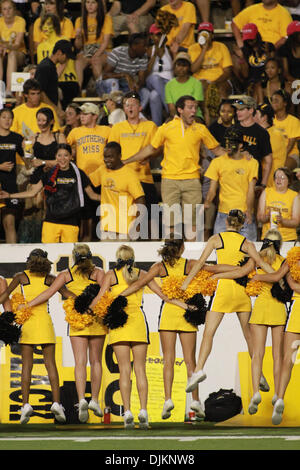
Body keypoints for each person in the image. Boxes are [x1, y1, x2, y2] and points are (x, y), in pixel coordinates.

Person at [89, 243, 193, 428]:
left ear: (118, 257)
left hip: (119, 325)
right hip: (137, 323)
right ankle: (143, 410)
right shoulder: (142, 273)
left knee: (124, 371)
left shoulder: (110, 275)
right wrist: (185, 305)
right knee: (140, 369)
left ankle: (128, 411)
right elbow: (164, 296)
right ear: (133, 257)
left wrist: (87, 310)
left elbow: (99, 298)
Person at [112, 237, 208, 421]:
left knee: (168, 360)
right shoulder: (191, 264)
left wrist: (118, 298)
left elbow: (141, 285)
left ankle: (167, 399)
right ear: (182, 248)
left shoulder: (159, 267)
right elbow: (212, 269)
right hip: (187, 313)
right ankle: (196, 401)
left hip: (168, 315)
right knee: (190, 360)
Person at [181, 209, 274, 393]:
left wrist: (186, 281)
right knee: (249, 336)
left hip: (222, 288)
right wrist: (279, 276)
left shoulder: (216, 239)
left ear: (226, 222)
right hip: (241, 291)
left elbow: (200, 263)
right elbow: (260, 264)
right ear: (241, 226)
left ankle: (199, 370)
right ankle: (260, 374)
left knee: (209, 333)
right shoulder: (247, 243)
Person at [23, 244, 107, 424]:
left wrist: (28, 305)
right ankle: (94, 400)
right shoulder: (98, 272)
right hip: (96, 319)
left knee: (80, 362)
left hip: (77, 321)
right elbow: (105, 291)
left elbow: (48, 293)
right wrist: (92, 307)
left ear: (74, 257)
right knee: (96, 361)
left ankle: (81, 399)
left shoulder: (65, 275)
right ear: (90, 257)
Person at [122, 95, 224, 241]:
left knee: (193, 224)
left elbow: (217, 150)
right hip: (170, 180)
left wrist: (238, 156)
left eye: (195, 107)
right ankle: (170, 258)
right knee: (170, 223)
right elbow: (151, 148)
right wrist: (127, 161)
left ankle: (191, 259)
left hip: (192, 180)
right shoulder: (166, 128)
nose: (194, 111)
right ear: (180, 110)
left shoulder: (201, 129)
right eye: (190, 107)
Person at [212, 229, 288, 414]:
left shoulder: (256, 260)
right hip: (278, 310)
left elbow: (239, 272)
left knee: (257, 354)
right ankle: (278, 395)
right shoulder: (284, 261)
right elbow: (285, 282)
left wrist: (216, 275)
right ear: (280, 244)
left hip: (260, 309)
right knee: (278, 355)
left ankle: (255, 392)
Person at [0, 248, 69, 424]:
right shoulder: (51, 279)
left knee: (26, 366)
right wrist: (89, 301)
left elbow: (4, 296)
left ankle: (25, 405)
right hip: (44, 323)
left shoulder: (21, 277)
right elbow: (69, 295)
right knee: (50, 364)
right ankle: (56, 403)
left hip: (28, 323)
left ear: (30, 260)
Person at [0, 144, 101, 243]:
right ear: (55, 157)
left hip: (71, 223)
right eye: (59, 155)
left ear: (71, 156)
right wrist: (9, 195)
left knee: (69, 256)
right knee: (48, 257)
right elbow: (32, 192)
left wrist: (110, 198)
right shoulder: (49, 174)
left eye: (66, 155)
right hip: (51, 222)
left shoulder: (79, 174)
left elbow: (92, 195)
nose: (62, 158)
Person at [251, 247, 300, 425]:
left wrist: (258, 277)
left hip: (297, 311)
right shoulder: (292, 259)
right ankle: (278, 398)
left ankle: (279, 397)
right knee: (286, 358)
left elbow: (281, 279)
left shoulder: (293, 259)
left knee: (288, 358)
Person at [108, 91, 160, 237]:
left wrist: (150, 156)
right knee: (128, 215)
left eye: (133, 104)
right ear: (124, 109)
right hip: (124, 178)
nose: (130, 108)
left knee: (150, 214)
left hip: (144, 177)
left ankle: (154, 244)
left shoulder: (150, 126)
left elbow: (158, 148)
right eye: (126, 105)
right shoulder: (118, 128)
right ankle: (131, 244)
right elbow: (111, 150)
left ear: (140, 107)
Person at [204, 126, 259, 241]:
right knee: (219, 250)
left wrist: (249, 211)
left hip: (244, 213)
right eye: (227, 142)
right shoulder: (217, 162)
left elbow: (251, 190)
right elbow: (212, 190)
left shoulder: (252, 163)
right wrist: (206, 203)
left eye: (232, 142)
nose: (228, 145)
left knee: (247, 252)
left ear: (240, 145)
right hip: (224, 213)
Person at [67, 102, 111, 241]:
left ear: (95, 116)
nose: (81, 117)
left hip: (102, 178)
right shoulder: (75, 132)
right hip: (83, 179)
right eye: (81, 114)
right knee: (85, 216)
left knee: (101, 213)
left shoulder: (106, 130)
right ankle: (85, 244)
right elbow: (64, 148)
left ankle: (100, 241)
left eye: (85, 114)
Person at [89, 141, 146, 239]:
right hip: (106, 227)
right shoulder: (102, 170)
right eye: (105, 157)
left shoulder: (129, 175)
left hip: (125, 229)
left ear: (120, 156)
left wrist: (137, 225)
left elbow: (140, 200)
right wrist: (93, 195)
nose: (107, 160)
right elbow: (87, 181)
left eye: (111, 157)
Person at [188, 22, 233, 122]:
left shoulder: (221, 47)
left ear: (212, 35)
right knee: (202, 87)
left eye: (207, 33)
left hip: (220, 80)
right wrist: (203, 49)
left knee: (219, 90)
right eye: (201, 33)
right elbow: (192, 70)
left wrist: (214, 82)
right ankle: (208, 123)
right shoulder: (193, 48)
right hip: (200, 82)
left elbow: (227, 72)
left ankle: (222, 123)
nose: (204, 35)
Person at [96, 33, 150, 113]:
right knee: (113, 82)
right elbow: (104, 75)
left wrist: (137, 85)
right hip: (106, 85)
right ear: (134, 46)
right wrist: (124, 75)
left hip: (125, 86)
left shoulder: (143, 57)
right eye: (144, 46)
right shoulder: (118, 52)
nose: (146, 48)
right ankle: (115, 112)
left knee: (146, 92)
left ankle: (135, 113)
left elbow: (141, 79)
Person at [233, 95, 273, 190]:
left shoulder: (262, 133)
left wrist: (263, 184)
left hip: (253, 180)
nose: (238, 112)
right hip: (233, 179)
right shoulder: (232, 130)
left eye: (241, 109)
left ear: (251, 110)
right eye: (237, 110)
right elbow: (225, 153)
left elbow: (268, 161)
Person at [74, 0, 114, 90]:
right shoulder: (79, 20)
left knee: (96, 61)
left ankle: (101, 92)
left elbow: (106, 42)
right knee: (78, 62)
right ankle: (77, 92)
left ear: (98, 4)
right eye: (87, 2)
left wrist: (96, 55)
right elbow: (78, 46)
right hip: (86, 51)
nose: (90, 5)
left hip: (103, 50)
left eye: (93, 2)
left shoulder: (106, 18)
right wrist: (78, 37)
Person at [35, 39, 76, 123]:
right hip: (44, 112)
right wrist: (56, 109)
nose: (67, 59)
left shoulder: (51, 66)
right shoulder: (46, 67)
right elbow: (40, 92)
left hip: (48, 110)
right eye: (66, 56)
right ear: (59, 52)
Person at [0, 107, 24, 243]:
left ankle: (12, 261)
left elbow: (28, 160)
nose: (7, 120)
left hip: (9, 185)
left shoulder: (17, 138)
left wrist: (30, 147)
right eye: (4, 117)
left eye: (10, 118)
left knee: (9, 224)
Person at [234, 23, 275, 102]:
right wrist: (242, 58)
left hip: (268, 78)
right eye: (247, 39)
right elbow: (245, 74)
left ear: (257, 35)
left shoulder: (268, 46)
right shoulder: (245, 50)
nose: (250, 41)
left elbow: (274, 66)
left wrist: (267, 54)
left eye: (252, 38)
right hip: (252, 82)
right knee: (255, 86)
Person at [257, 167, 300, 242]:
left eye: (282, 177)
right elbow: (259, 217)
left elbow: (296, 222)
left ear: (289, 181)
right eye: (276, 177)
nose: (278, 180)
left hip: (288, 238)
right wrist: (267, 216)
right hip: (269, 236)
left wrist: (282, 220)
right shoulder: (266, 192)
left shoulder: (294, 196)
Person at [145, 23, 174, 126]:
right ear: (151, 36)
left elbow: (175, 69)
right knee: (156, 78)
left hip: (168, 83)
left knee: (154, 96)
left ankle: (156, 127)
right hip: (152, 80)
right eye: (156, 35)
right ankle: (171, 111)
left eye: (160, 34)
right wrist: (154, 56)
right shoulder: (149, 50)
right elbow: (146, 72)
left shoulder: (169, 49)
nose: (158, 37)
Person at [254, 103, 288, 188]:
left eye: (255, 114)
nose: (252, 116)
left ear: (264, 118)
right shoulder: (263, 132)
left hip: (272, 182)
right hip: (265, 178)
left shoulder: (275, 134)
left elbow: (265, 156)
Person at [165, 52, 204, 122]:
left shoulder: (197, 83)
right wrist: (179, 120)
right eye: (178, 65)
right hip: (176, 116)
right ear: (174, 67)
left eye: (184, 65)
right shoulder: (169, 85)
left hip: (194, 116)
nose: (181, 68)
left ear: (189, 68)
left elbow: (194, 107)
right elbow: (172, 109)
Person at [0, 0, 27, 96]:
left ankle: (9, 90)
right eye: (4, 9)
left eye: (9, 8)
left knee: (12, 53)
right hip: (2, 53)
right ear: (1, 11)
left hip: (18, 53)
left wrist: (5, 45)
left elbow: (17, 45)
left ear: (14, 10)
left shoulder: (20, 21)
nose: (7, 11)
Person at [271, 89, 300, 171]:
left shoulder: (294, 121)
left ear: (285, 103)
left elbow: (290, 144)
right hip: (272, 154)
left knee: (281, 170)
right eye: (272, 100)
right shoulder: (270, 120)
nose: (273, 102)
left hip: (290, 155)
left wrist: (279, 157)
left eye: (276, 100)